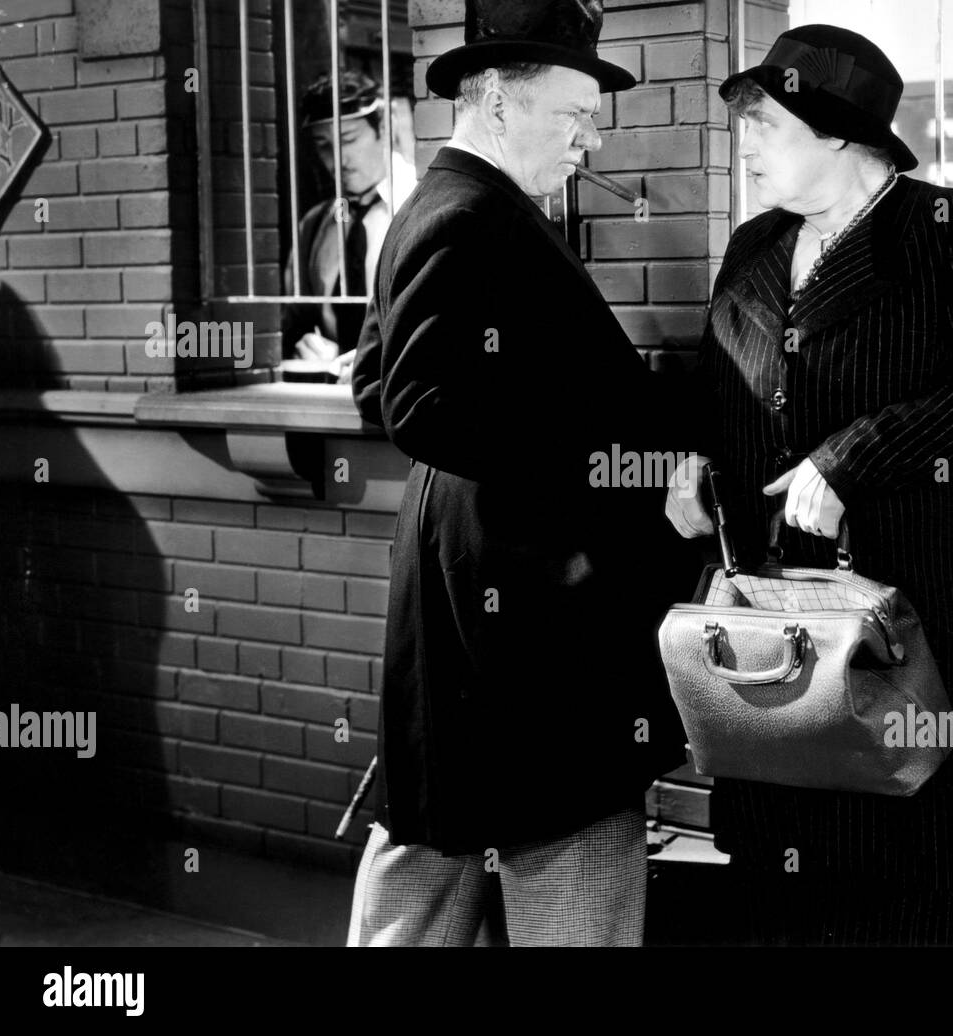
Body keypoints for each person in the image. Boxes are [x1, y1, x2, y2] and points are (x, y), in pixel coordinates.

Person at [666, 25, 953, 945]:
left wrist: (848, 460)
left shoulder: (951, 229)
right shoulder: (754, 243)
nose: (744, 143)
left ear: (835, 131)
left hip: (914, 610)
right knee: (777, 851)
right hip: (772, 614)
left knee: (913, 856)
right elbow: (717, 389)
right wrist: (687, 458)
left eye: (765, 123)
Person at [346, 0, 688, 947]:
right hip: (527, 611)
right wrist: (620, 466)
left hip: (474, 603)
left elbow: (376, 383)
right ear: (495, 98)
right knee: (569, 858)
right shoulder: (471, 216)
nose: (590, 141)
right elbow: (417, 405)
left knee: (429, 854)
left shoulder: (450, 208)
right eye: (574, 114)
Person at [282, 70, 416, 383]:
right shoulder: (316, 225)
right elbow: (293, 319)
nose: (338, 158)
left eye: (348, 140)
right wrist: (303, 343)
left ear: (383, 127)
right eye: (323, 146)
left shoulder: (421, 204)